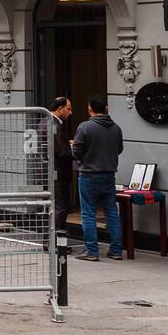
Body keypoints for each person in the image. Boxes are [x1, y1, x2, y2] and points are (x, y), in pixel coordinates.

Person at [72, 94, 124, 261]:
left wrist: (76, 148)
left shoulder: (84, 127)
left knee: (88, 213)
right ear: (106, 108)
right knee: (112, 212)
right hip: (109, 174)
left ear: (89, 109)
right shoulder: (116, 128)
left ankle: (92, 251)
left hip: (88, 175)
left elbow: (77, 152)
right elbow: (119, 149)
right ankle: (116, 250)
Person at [51, 96, 74, 234]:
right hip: (58, 172)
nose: (70, 113)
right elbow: (62, 152)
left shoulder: (46, 120)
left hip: (52, 171)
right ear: (60, 109)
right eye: (68, 109)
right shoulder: (56, 125)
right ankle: (56, 242)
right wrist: (73, 151)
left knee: (56, 207)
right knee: (61, 207)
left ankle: (51, 241)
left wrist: (67, 143)